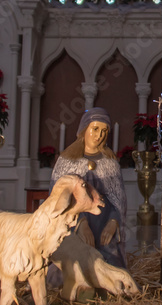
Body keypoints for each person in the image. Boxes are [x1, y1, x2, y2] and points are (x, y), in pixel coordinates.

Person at [50, 108, 127, 269]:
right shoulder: (66, 161)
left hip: (103, 223)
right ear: (84, 129)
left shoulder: (110, 164)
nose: (99, 135)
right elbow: (57, 196)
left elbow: (118, 199)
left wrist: (113, 221)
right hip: (72, 223)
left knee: (110, 266)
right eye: (95, 129)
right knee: (74, 263)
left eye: (104, 131)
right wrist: (81, 223)